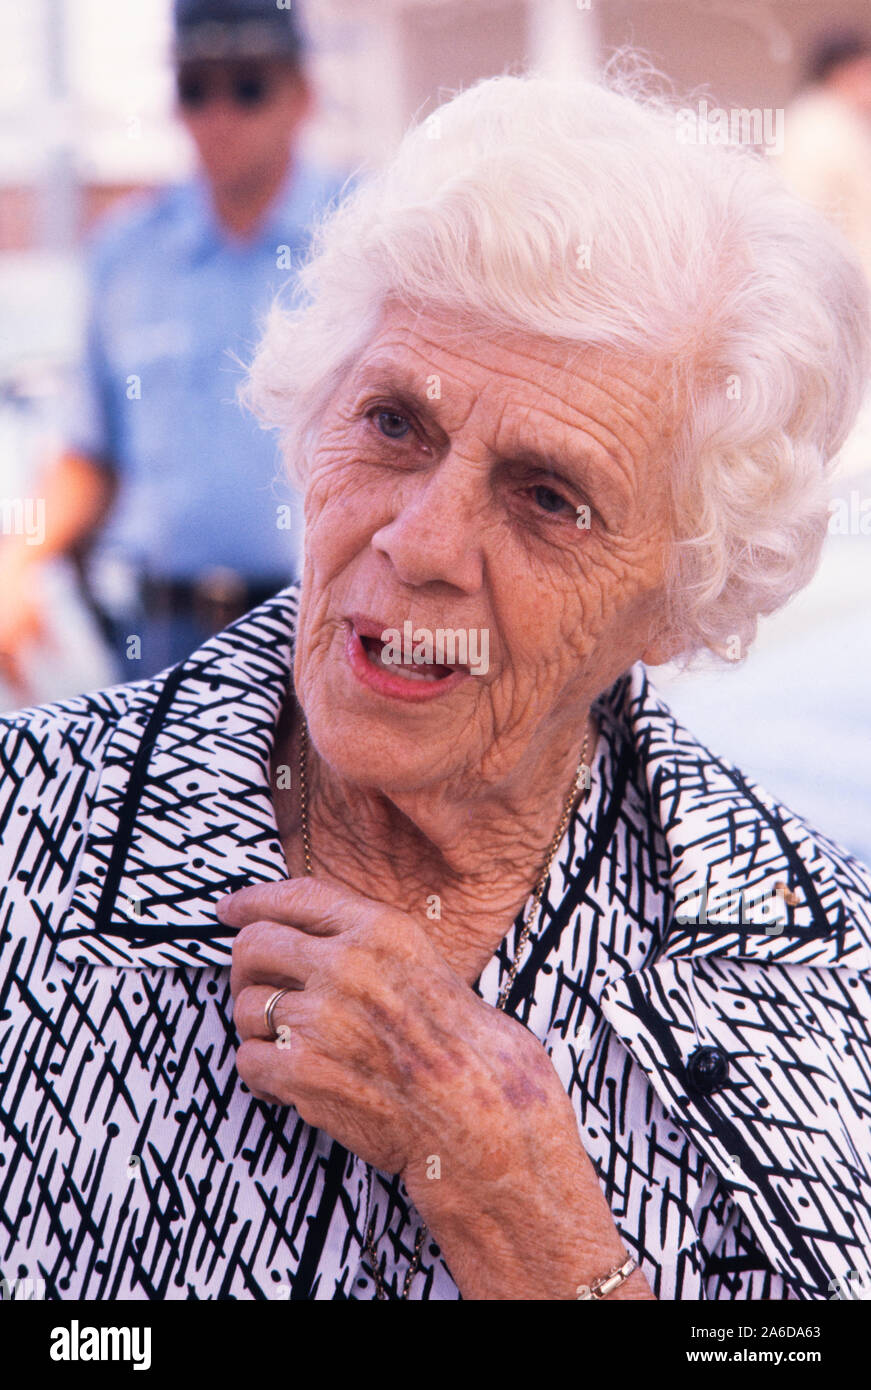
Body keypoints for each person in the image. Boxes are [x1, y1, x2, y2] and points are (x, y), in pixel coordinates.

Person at [2, 70, 871, 1302]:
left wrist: (524, 1214)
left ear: (680, 599)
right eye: (397, 424)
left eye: (547, 496)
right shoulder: (25, 842)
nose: (418, 539)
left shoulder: (819, 977)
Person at [0, 0, 345, 696]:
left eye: (247, 86)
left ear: (300, 95)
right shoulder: (127, 254)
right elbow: (90, 454)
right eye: (196, 88)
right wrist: (19, 560)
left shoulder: (369, 239)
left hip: (327, 631)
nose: (219, 115)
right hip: (160, 640)